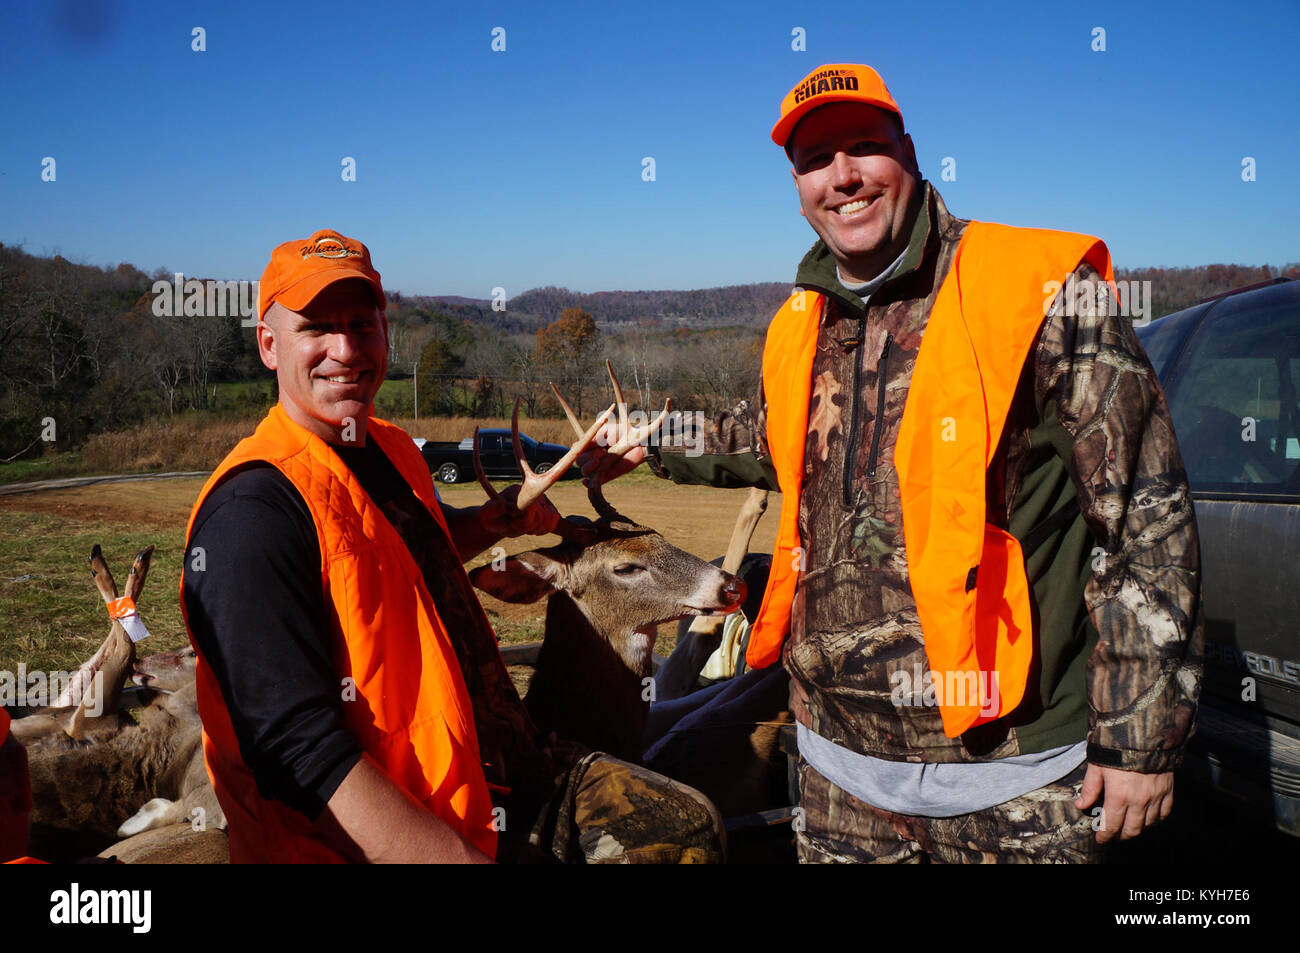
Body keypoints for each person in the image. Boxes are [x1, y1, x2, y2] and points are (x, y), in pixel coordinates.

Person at [581, 65, 1204, 863]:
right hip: (842, 785)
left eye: (864, 147)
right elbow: (770, 436)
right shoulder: (800, 322)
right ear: (797, 183)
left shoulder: (1040, 290)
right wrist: (653, 439)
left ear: (908, 151)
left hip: (1017, 783)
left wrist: (1140, 738)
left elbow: (1147, 514)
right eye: (815, 159)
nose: (842, 177)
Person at [181, 229, 723, 864]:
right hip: (379, 834)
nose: (346, 349)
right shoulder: (254, 512)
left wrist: (495, 523)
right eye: (316, 327)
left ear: (385, 333)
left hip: (486, 773)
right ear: (270, 346)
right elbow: (298, 753)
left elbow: (403, 552)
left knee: (688, 829)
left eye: (362, 323)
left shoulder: (389, 450)